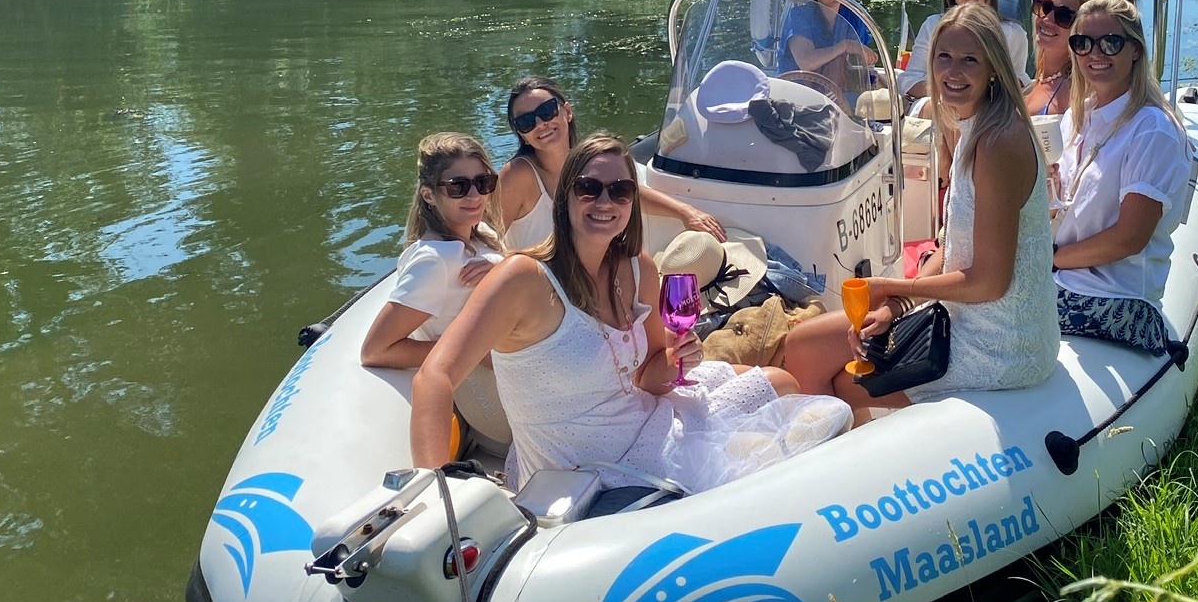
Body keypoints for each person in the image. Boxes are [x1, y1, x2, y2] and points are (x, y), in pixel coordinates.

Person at [408, 134, 849, 488]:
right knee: (779, 444)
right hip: (581, 467)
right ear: (565, 196)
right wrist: (435, 493)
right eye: (589, 188)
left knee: (784, 384)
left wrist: (678, 358)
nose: (606, 202)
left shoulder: (639, 269)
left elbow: (651, 377)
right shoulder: (523, 279)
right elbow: (435, 376)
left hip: (647, 423)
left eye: (620, 190)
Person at [781, 3, 1060, 416]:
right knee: (801, 344)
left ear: (995, 69)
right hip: (965, 316)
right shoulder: (974, 128)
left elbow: (989, 283)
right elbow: (951, 248)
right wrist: (893, 307)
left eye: (970, 60)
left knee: (844, 383)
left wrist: (894, 288)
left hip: (1002, 343)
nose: (954, 72)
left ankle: (848, 462)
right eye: (944, 58)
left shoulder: (999, 143)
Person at [1052, 0, 1193, 354]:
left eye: (1111, 42)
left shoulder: (1151, 129)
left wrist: (1048, 258)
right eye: (1082, 43)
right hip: (1062, 280)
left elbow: (1129, 238)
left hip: (1117, 298)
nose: (1095, 54)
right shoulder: (1077, 118)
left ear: (1135, 50)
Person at [497, 76, 724, 250]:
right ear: (521, 134)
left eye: (546, 111)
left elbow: (627, 193)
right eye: (526, 121)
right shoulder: (519, 174)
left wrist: (686, 212)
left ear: (567, 111)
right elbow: (487, 236)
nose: (540, 123)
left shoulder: (585, 162)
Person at [359, 133, 504, 371]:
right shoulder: (434, 262)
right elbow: (375, 351)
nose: (475, 195)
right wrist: (473, 351)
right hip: (482, 384)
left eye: (483, 182)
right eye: (458, 187)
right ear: (429, 195)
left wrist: (503, 270)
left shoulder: (480, 234)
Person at [900, 0, 1031, 103]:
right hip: (940, 107)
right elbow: (910, 80)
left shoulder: (1012, 32)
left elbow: (1018, 79)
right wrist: (952, 92)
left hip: (991, 111)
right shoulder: (933, 26)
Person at [779, 0, 877, 95]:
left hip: (839, 96)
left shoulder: (854, 16)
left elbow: (860, 61)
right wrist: (845, 45)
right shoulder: (799, 16)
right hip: (795, 95)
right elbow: (806, 62)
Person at [1025, 0, 1102, 119]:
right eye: (1046, 6)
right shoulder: (1043, 78)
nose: (1047, 19)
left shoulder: (1077, 92)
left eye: (1064, 16)